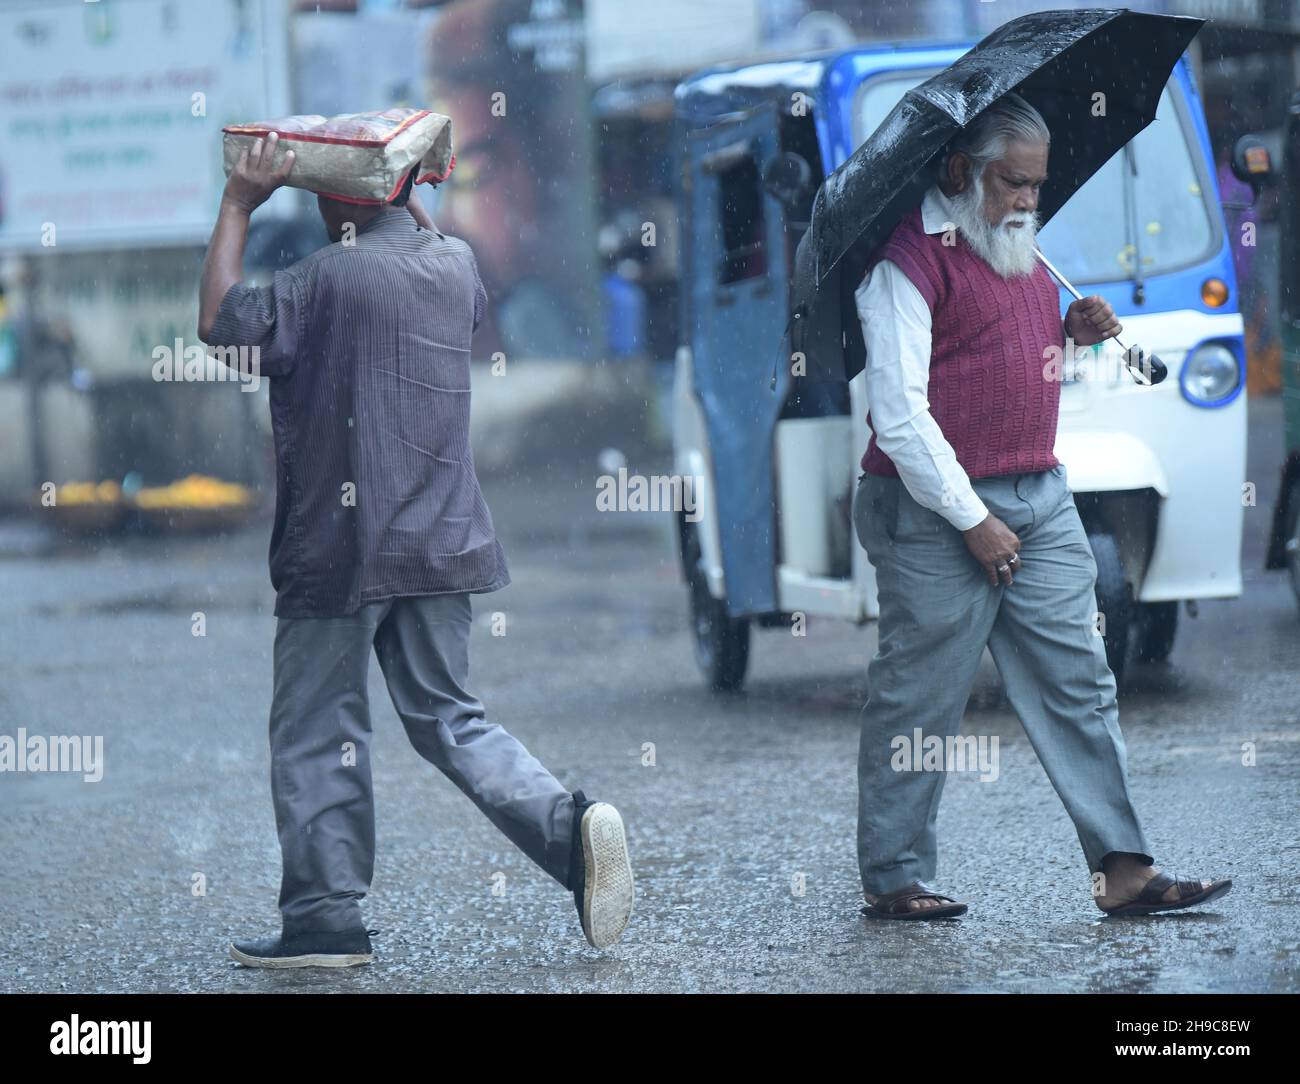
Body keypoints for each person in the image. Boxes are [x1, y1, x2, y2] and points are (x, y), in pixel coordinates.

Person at [197, 133, 634, 966]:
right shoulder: (455, 266)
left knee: (319, 726)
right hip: (440, 541)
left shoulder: (322, 279)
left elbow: (218, 321)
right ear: (408, 193)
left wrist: (237, 205)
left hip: (340, 549)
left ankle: (325, 921)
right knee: (452, 718)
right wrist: (406, 176)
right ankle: (571, 832)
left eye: (329, 194)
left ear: (342, 202)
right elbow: (418, 236)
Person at [852, 93, 1232, 920]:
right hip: (928, 509)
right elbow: (903, 417)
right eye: (1012, 182)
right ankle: (894, 877)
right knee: (921, 697)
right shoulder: (905, 262)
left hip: (1039, 492)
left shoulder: (1021, 246)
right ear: (959, 170)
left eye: (1037, 184)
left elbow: (1001, 360)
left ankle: (1124, 870)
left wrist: (1072, 336)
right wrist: (973, 522)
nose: (1029, 199)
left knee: (1081, 682)